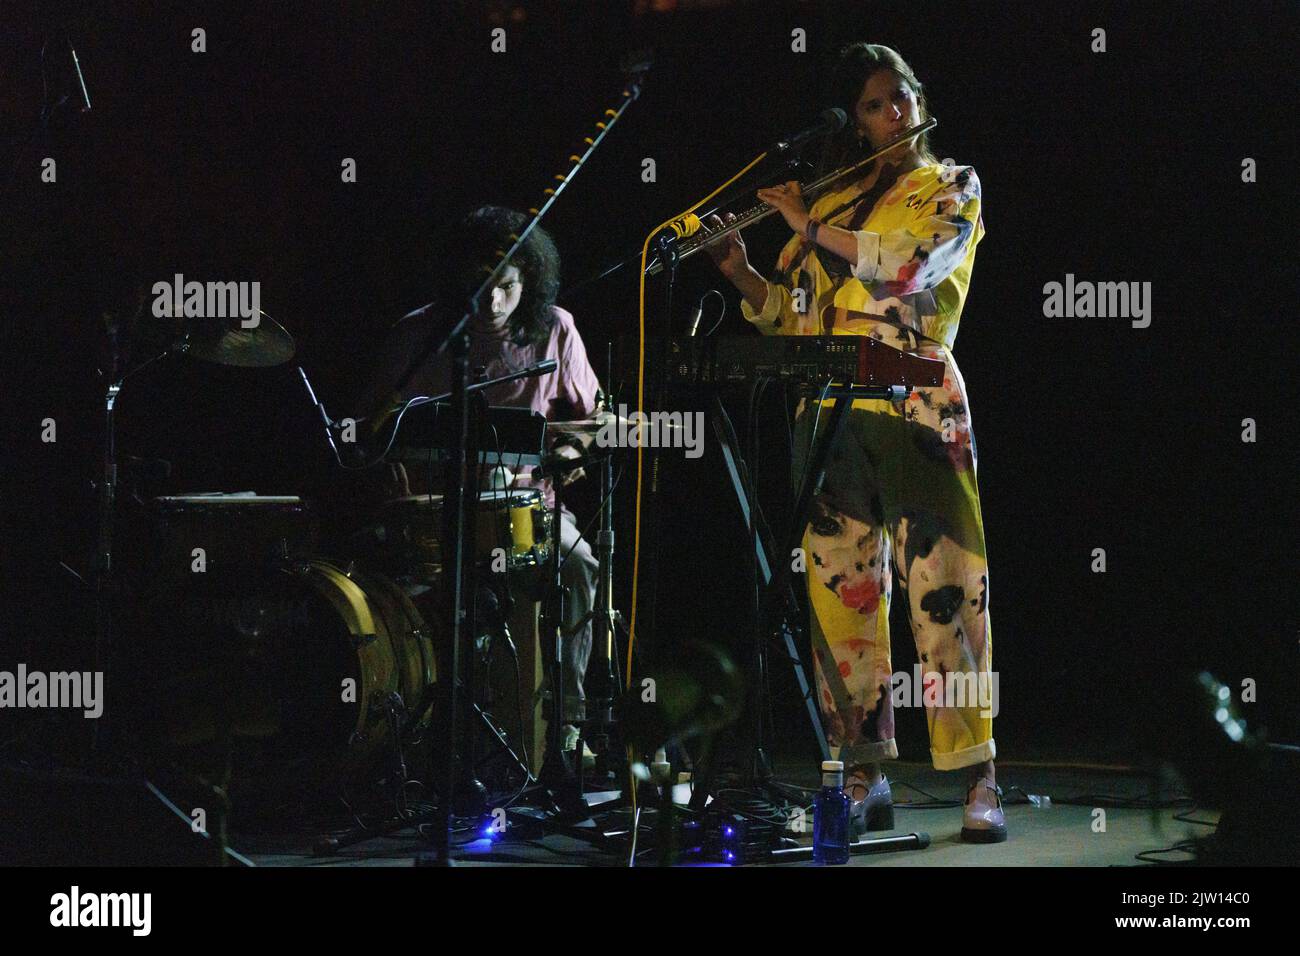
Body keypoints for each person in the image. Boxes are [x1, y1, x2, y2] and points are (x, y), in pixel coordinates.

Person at [705, 43, 1004, 842]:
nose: (893, 114)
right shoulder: (832, 202)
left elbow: (906, 269)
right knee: (843, 598)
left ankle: (979, 777)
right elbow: (793, 317)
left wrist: (806, 223)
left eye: (901, 97)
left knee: (945, 593)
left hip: (916, 406)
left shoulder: (950, 186)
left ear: (919, 99)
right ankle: (863, 772)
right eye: (875, 105)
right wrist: (743, 274)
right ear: (859, 122)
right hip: (829, 412)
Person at [355, 206, 602, 762]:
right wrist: (384, 463)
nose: (491, 302)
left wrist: (567, 453)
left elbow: (590, 420)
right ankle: (413, 722)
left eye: (506, 288)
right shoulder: (417, 333)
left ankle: (568, 721)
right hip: (432, 511)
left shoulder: (555, 327)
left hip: (523, 509)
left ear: (528, 282)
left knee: (582, 563)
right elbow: (367, 429)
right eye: (479, 288)